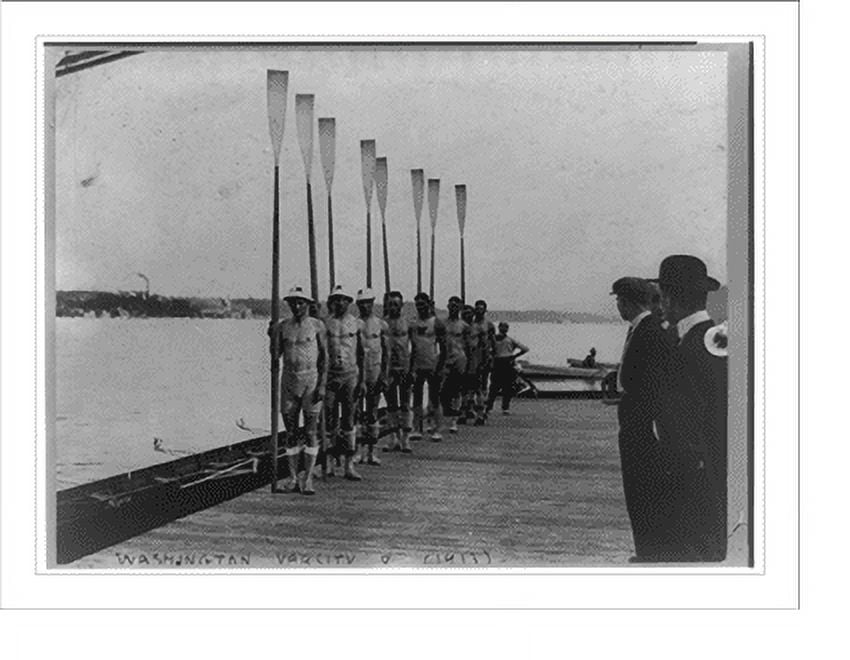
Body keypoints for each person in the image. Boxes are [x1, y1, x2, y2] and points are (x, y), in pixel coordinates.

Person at [650, 255, 728, 562]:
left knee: (696, 548)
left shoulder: (687, 346)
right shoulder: (716, 338)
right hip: (714, 463)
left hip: (693, 471)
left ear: (668, 297)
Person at [609, 276, 672, 562]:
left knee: (641, 486)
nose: (619, 308)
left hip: (641, 420)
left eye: (620, 301)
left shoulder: (647, 331)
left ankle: (649, 549)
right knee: (636, 486)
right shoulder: (641, 329)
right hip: (633, 416)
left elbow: (653, 380)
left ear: (626, 302)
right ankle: (644, 548)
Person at [269, 285, 327, 495]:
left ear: (308, 305)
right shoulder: (283, 326)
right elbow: (275, 357)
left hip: (310, 381)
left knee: (310, 431)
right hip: (289, 381)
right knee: (291, 432)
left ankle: (308, 477)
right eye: (293, 302)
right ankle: (293, 477)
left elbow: (324, 359)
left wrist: (322, 385)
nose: (297, 306)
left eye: (301, 302)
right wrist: (271, 336)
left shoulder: (317, 326)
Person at [323, 284, 364, 481]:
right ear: (331, 302)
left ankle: (349, 465)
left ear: (349, 302)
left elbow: (362, 353)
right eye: (335, 299)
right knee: (329, 418)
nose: (339, 303)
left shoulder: (356, 324)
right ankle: (329, 462)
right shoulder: (324, 324)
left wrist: (362, 380)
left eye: (343, 299)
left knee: (348, 419)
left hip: (350, 375)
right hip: (330, 375)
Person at [355, 288, 389, 465]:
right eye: (361, 303)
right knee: (358, 412)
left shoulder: (381, 325)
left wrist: (384, 375)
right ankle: (358, 451)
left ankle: (371, 452)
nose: (365, 306)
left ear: (373, 303)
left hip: (375, 371)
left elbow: (387, 353)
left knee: (373, 412)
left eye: (368, 302)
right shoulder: (354, 324)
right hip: (358, 373)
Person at [408, 292, 446, 441]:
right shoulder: (413, 323)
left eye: (423, 305)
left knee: (434, 398)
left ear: (429, 304)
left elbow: (444, 349)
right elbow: (413, 347)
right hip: (418, 365)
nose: (420, 308)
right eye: (418, 305)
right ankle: (417, 428)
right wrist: (411, 368)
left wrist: (440, 367)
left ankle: (437, 429)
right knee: (417, 398)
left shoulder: (437, 323)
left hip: (433, 364)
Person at [382, 291, 413, 453]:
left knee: (406, 404)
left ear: (401, 305)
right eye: (390, 304)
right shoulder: (383, 323)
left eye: (396, 303)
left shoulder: (408, 323)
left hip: (404, 367)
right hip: (388, 369)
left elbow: (414, 347)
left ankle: (405, 439)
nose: (393, 307)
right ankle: (393, 437)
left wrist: (412, 369)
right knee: (391, 405)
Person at [485, 322, 529, 416]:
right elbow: (525, 349)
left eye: (506, 327)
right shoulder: (498, 339)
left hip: (504, 361)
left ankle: (502, 407)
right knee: (496, 386)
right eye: (502, 327)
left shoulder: (507, 340)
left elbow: (525, 348)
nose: (504, 328)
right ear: (499, 328)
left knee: (505, 386)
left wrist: (514, 356)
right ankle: (492, 406)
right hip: (501, 361)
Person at [441, 296, 471, 434]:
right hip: (444, 358)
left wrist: (469, 364)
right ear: (447, 307)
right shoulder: (441, 323)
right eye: (451, 305)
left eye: (456, 305)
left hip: (459, 358)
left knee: (457, 390)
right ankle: (436, 420)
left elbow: (469, 346)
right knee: (440, 389)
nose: (453, 307)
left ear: (459, 308)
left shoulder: (464, 326)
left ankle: (454, 421)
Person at [470, 299, 496, 425]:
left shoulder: (489, 325)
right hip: (472, 357)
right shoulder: (470, 324)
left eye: (481, 309)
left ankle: (481, 414)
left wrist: (493, 358)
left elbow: (493, 342)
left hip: (484, 357)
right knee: (472, 386)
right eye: (477, 308)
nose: (479, 311)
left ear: (485, 310)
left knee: (482, 385)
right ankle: (471, 410)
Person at [458, 304, 478, 423]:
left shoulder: (475, 328)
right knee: (461, 387)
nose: (467, 315)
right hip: (459, 358)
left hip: (472, 359)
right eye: (464, 313)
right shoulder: (459, 326)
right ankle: (462, 410)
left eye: (469, 313)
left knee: (471, 387)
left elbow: (476, 345)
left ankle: (468, 408)